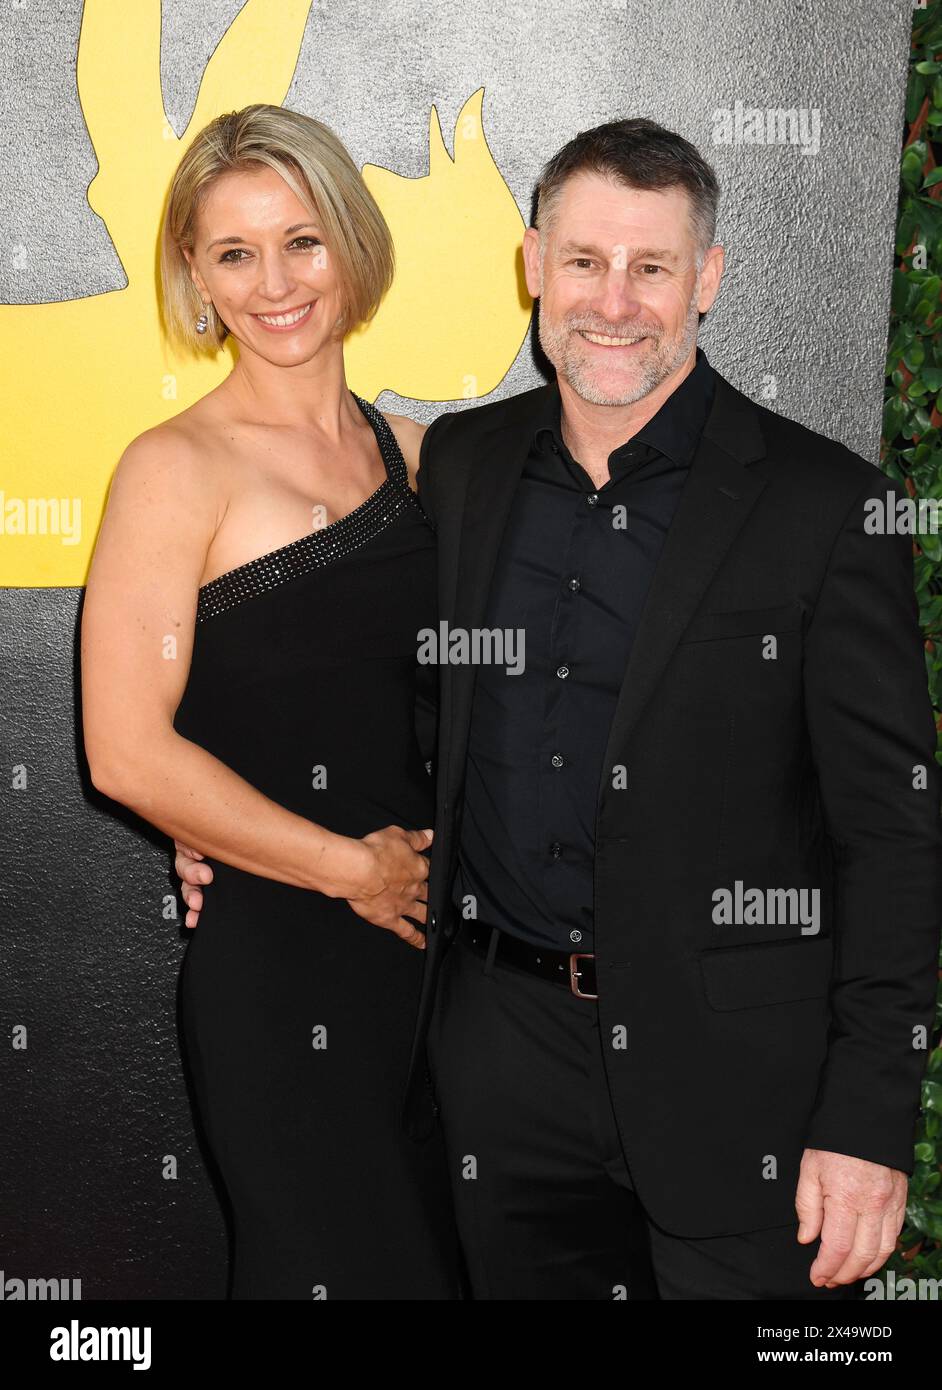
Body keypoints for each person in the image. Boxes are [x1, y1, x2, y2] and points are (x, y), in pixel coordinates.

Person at [177, 118, 942, 1300]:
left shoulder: (825, 506)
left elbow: (895, 837)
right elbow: (373, 690)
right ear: (534, 265)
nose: (615, 303)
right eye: (584, 262)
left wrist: (870, 1119)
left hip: (738, 1088)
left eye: (653, 268)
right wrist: (219, 818)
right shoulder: (462, 469)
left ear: (710, 279)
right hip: (495, 1065)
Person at [81, 103, 461, 1300]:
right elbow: (126, 753)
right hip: (286, 955)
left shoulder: (423, 457)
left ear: (352, 240)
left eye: (302, 240)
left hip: (443, 969)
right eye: (233, 253)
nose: (274, 282)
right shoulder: (172, 468)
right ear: (195, 275)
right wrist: (348, 869)